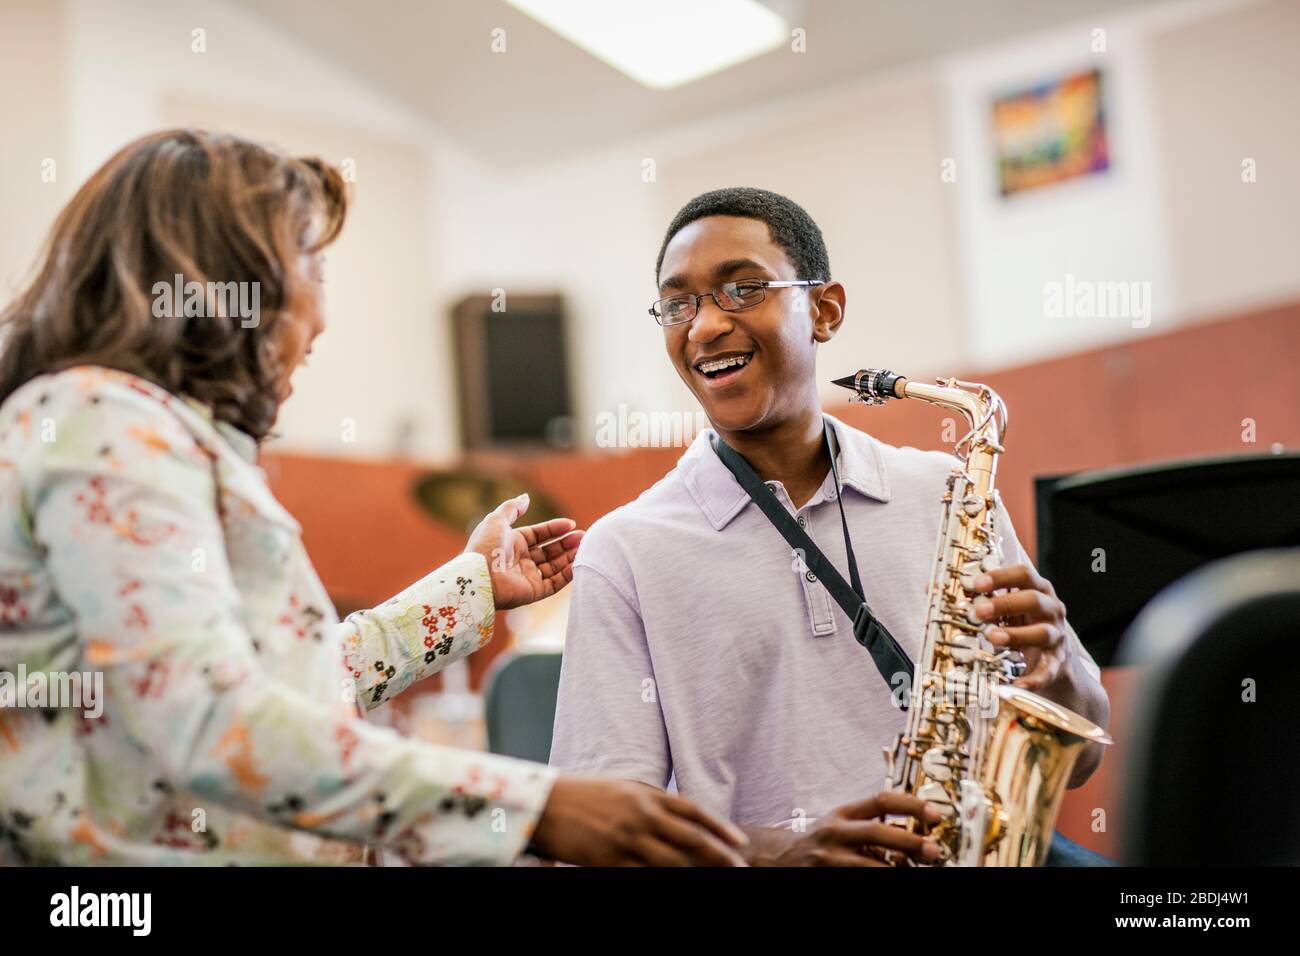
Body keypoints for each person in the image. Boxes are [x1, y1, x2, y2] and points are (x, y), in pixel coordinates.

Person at [0, 130, 747, 867]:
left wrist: (469, 589)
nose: (320, 317)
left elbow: (283, 686)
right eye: (311, 266)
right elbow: (208, 719)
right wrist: (530, 810)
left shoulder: (142, 431)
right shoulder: (104, 424)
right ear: (222, 279)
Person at [550, 187, 1111, 866]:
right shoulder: (624, 551)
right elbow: (602, 837)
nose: (701, 327)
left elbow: (1078, 757)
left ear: (824, 309)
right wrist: (780, 854)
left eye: (741, 289)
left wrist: (1054, 671)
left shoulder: (947, 491)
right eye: (679, 304)